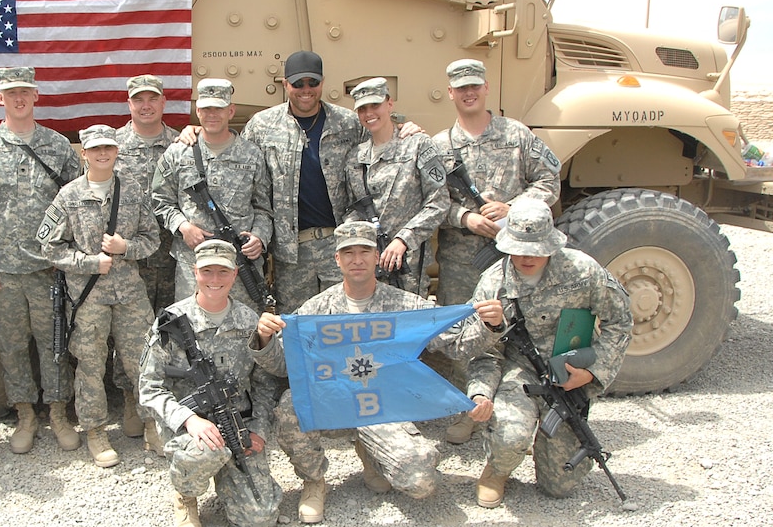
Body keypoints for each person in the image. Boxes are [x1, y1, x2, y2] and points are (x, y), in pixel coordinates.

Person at [252, 222, 506, 523]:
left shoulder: (405, 305)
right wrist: (265, 339)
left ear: (377, 257)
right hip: (336, 402)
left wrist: (490, 325)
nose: (357, 260)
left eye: (365, 252)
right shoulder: (318, 308)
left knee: (420, 481)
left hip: (384, 407)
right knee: (292, 405)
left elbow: (458, 346)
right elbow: (283, 365)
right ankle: (314, 480)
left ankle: (370, 450)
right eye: (348, 253)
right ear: (337, 259)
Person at [466, 198, 632, 507]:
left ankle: (546, 444)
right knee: (510, 437)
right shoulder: (493, 284)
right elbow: (483, 353)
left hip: (569, 368)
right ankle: (497, 470)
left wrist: (592, 372)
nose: (527, 258)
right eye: (520, 249)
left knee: (560, 485)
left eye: (536, 249)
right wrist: (480, 393)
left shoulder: (583, 271)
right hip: (521, 370)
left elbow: (619, 320)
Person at [432, 58, 561, 445]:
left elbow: (549, 181)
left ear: (486, 88)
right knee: (465, 333)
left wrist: (513, 209)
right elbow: (432, 201)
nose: (469, 93)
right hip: (463, 259)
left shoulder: (517, 134)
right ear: (450, 93)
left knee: (521, 327)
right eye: (461, 88)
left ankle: (519, 407)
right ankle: (468, 409)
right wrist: (466, 217)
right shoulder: (441, 146)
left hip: (517, 254)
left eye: (476, 85)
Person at [0, 66, 81, 454]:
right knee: (10, 348)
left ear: (36, 95)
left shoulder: (58, 146)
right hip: (2, 273)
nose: (19, 98)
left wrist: (68, 258)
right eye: (11, 93)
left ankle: (59, 413)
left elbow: (75, 204)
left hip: (48, 269)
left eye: (25, 91)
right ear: (0, 98)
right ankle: (26, 416)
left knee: (54, 345)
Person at [139, 240, 283, 527]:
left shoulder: (248, 321)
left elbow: (264, 384)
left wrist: (258, 429)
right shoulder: (171, 323)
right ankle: (186, 494)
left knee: (260, 520)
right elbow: (150, 387)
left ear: (234, 276)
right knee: (208, 448)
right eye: (207, 272)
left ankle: (225, 475)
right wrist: (189, 420)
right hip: (192, 431)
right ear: (195, 272)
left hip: (237, 424)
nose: (214, 280)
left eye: (223, 272)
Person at [39, 125, 159, 468]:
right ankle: (96, 431)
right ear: (85, 154)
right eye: (95, 149)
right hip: (88, 296)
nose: (102, 154)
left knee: (143, 359)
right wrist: (89, 263)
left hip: (129, 292)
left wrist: (127, 248)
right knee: (90, 364)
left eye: (108, 148)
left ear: (116, 151)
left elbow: (152, 239)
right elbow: (50, 246)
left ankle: (152, 424)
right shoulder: (69, 195)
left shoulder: (133, 191)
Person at [239, 51, 363, 314]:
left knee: (343, 322)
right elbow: (237, 159)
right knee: (297, 327)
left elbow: (380, 143)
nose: (305, 90)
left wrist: (407, 129)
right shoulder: (262, 125)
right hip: (291, 252)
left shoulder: (348, 123)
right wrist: (196, 132)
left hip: (339, 244)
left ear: (322, 83)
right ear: (285, 84)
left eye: (312, 83)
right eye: (297, 84)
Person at [151, 79, 272, 309]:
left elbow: (264, 208)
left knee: (245, 331)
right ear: (198, 111)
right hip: (193, 265)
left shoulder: (251, 154)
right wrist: (183, 227)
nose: (212, 114)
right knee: (192, 330)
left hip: (239, 264)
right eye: (206, 109)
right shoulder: (178, 153)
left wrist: (259, 238)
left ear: (231, 110)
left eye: (219, 108)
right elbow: (160, 201)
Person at [113, 74, 179, 450]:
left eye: (152, 99)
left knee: (170, 329)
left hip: (170, 255)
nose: (145, 106)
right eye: (138, 100)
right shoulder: (114, 145)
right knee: (129, 333)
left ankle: (164, 402)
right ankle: (130, 400)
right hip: (130, 260)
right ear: (130, 104)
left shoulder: (180, 142)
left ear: (163, 102)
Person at [344, 77, 449, 296]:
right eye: (363, 109)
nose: (369, 113)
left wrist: (404, 239)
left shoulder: (417, 145)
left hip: (407, 264)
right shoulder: (356, 157)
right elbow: (351, 207)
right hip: (367, 263)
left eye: (375, 105)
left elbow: (438, 201)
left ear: (389, 104)